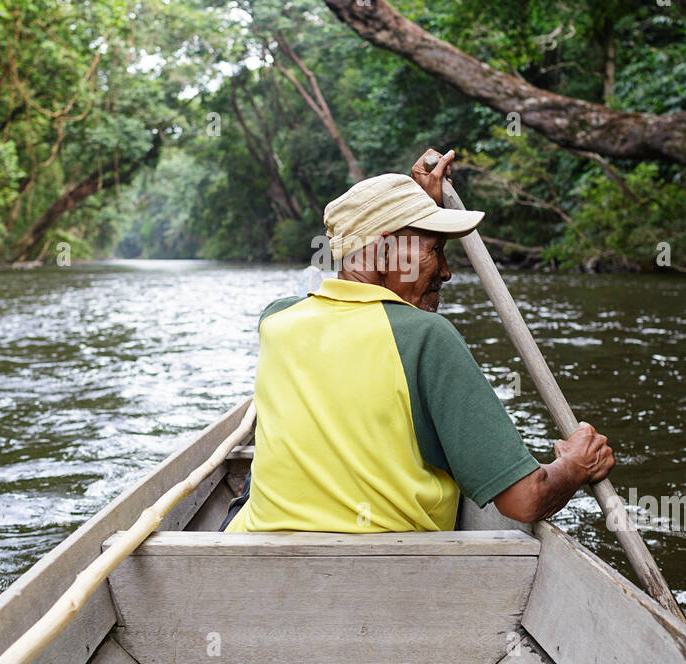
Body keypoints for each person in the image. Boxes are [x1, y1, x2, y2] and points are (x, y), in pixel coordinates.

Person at [222, 149, 615, 533]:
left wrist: (416, 213)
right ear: (383, 250)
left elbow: (353, 319)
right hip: (393, 575)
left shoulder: (276, 319)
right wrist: (575, 465)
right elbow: (526, 500)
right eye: (436, 251)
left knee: (247, 491)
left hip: (255, 550)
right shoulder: (427, 336)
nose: (445, 272)